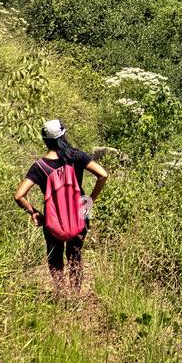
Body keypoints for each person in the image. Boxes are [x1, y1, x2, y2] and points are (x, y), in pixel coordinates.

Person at [14, 119, 108, 291]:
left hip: (52, 219)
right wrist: (90, 200)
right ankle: (75, 295)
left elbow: (19, 195)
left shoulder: (39, 166)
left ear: (45, 140)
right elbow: (103, 175)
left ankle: (61, 292)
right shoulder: (77, 156)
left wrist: (34, 212)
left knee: (55, 257)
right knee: (75, 255)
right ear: (63, 135)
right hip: (79, 214)